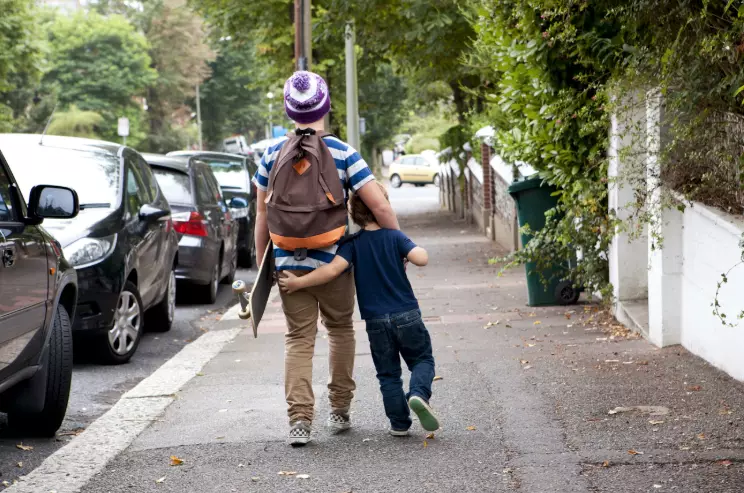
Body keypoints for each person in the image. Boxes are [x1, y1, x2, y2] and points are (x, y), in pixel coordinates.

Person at [253, 71, 400, 446]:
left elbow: (262, 215)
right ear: (326, 105)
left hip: (288, 266)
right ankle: (339, 408)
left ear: (289, 110)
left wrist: (263, 268)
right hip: (335, 263)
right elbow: (379, 206)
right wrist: (396, 249)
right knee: (340, 330)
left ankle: (300, 419)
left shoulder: (270, 154)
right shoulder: (343, 153)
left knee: (298, 339)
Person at [278, 182, 440, 436]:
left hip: (375, 322)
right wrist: (413, 252)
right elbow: (421, 258)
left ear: (352, 214)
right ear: (382, 207)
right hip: (407, 315)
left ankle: (399, 424)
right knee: (422, 359)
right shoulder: (395, 236)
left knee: (388, 374)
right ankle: (418, 394)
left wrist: (298, 283)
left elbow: (331, 270)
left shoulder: (351, 244)